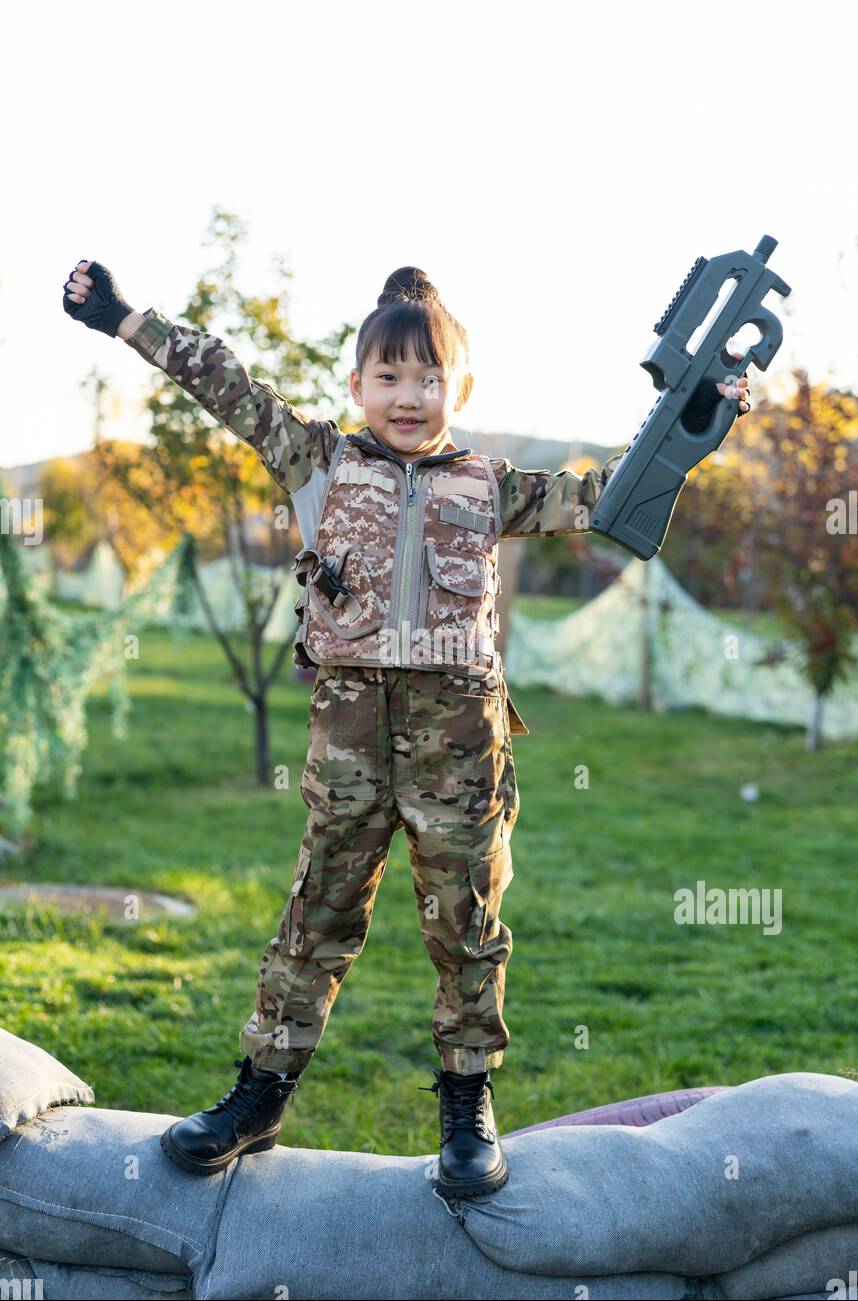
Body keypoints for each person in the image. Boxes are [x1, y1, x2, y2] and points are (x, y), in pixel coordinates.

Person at [62, 258, 750, 1196]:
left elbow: (611, 497)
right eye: (389, 377)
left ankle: (466, 1107)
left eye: (429, 378)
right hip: (348, 738)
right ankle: (257, 1096)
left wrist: (700, 419)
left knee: (466, 927)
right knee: (315, 918)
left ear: (457, 387)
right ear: (357, 387)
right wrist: (122, 318)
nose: (410, 396)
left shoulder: (490, 484)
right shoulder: (319, 460)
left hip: (460, 746)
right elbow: (220, 380)